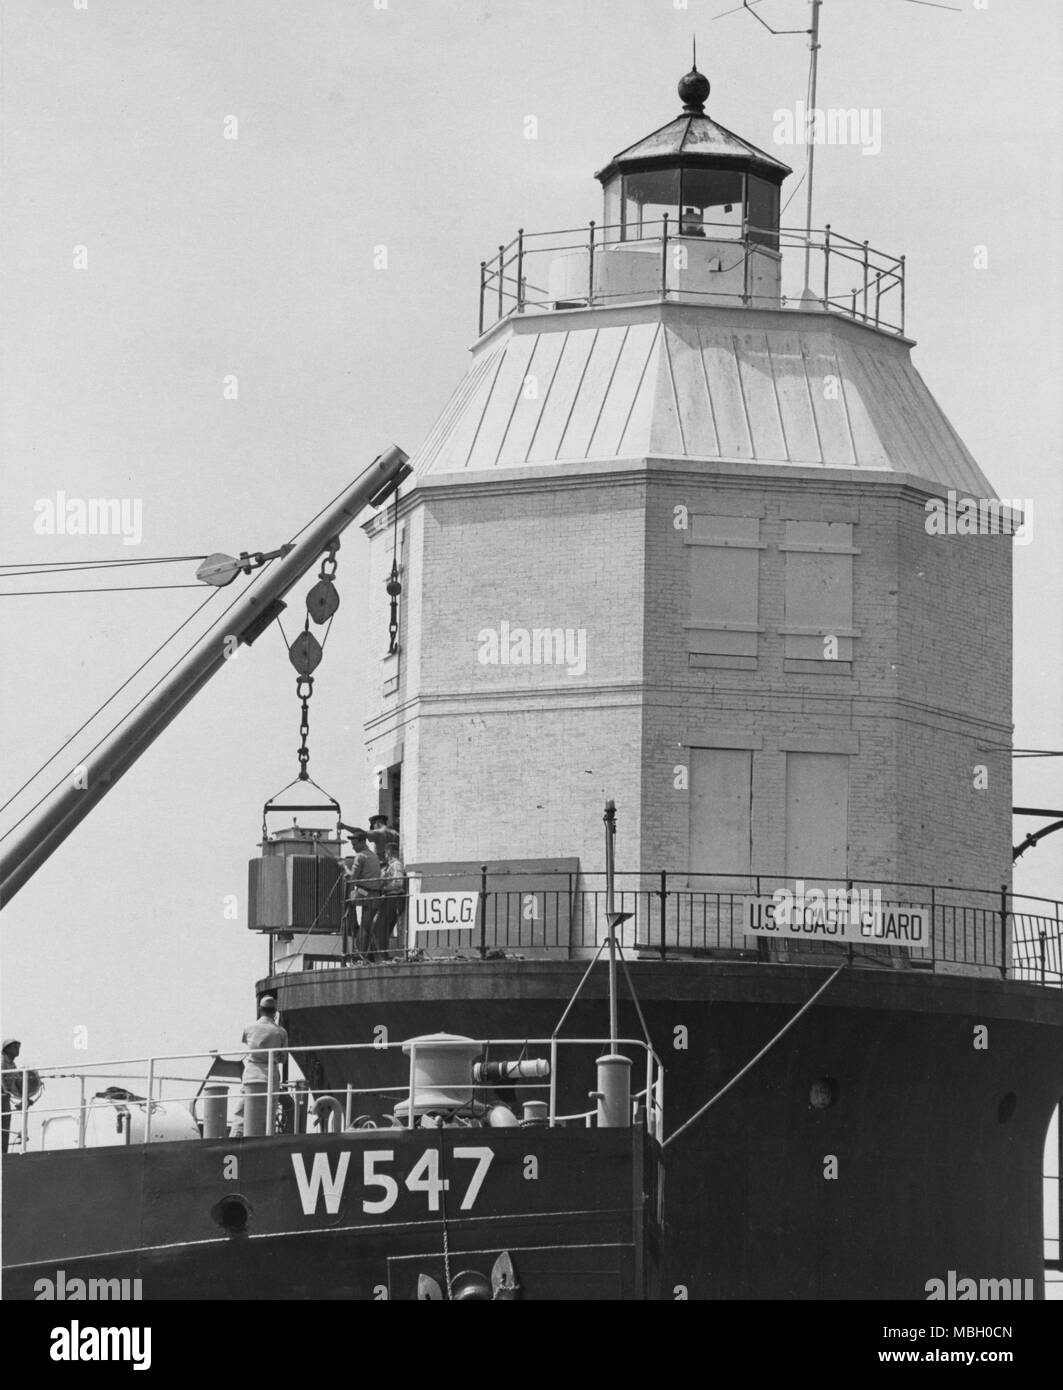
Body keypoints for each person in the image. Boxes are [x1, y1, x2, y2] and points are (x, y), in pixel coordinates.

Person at [241, 998, 288, 1137]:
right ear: (275, 1012)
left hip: (251, 1074)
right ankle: (267, 1139)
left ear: (259, 1009)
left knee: (243, 1111)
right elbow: (283, 1058)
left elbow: (246, 1042)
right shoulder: (281, 1032)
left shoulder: (248, 1027)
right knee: (269, 1112)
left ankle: (233, 1140)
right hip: (269, 1075)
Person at [344, 829, 384, 960]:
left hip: (365, 893)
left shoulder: (360, 856)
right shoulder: (373, 856)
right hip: (374, 895)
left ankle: (360, 952)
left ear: (362, 842)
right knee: (366, 925)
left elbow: (353, 878)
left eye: (355, 845)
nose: (353, 847)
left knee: (354, 915)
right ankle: (364, 951)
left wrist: (344, 867)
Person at [379, 842, 409, 958]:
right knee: (383, 927)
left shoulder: (396, 865)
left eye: (386, 854)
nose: (385, 857)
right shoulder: (392, 866)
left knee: (382, 927)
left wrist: (384, 888)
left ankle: (383, 955)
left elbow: (398, 882)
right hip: (392, 898)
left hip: (393, 898)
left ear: (389, 853)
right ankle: (383, 954)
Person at [2, 1038, 22, 1155]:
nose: (17, 1049)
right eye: (15, 1047)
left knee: (5, 1127)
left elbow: (16, 1085)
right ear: (7, 1049)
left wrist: (25, 1097)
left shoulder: (12, 1064)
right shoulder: (2, 1061)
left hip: (5, 1099)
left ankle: (3, 1153)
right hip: (2, 1097)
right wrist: (4, 1090)